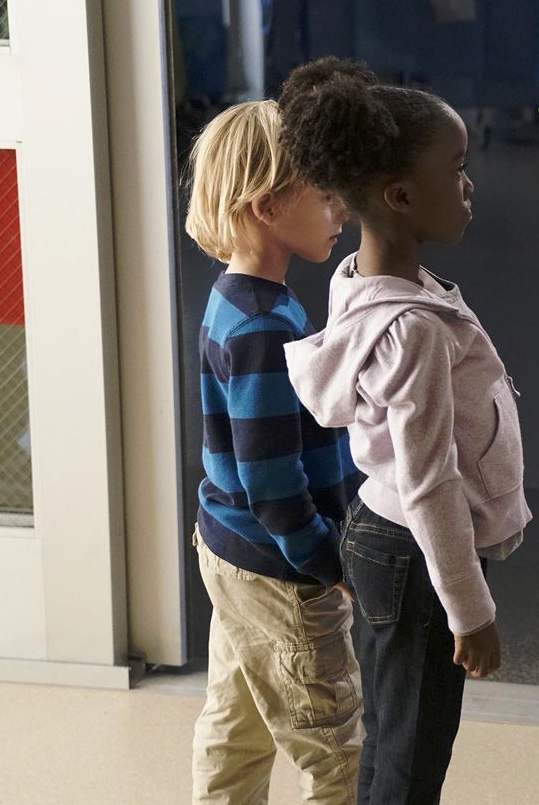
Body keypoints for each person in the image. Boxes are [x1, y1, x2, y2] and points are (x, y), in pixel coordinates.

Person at [278, 58, 531, 805]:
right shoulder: (411, 331)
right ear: (398, 195)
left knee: (391, 737)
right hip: (416, 560)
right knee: (411, 757)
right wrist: (471, 610)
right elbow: (429, 483)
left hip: (383, 539)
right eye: (455, 169)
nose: (468, 186)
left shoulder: (366, 279)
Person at [182, 101, 363, 805]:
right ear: (265, 204)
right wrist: (327, 560)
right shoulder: (263, 325)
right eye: (323, 192)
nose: (338, 207)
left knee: (239, 724)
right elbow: (271, 479)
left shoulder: (237, 300)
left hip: (232, 551)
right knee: (333, 746)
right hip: (281, 569)